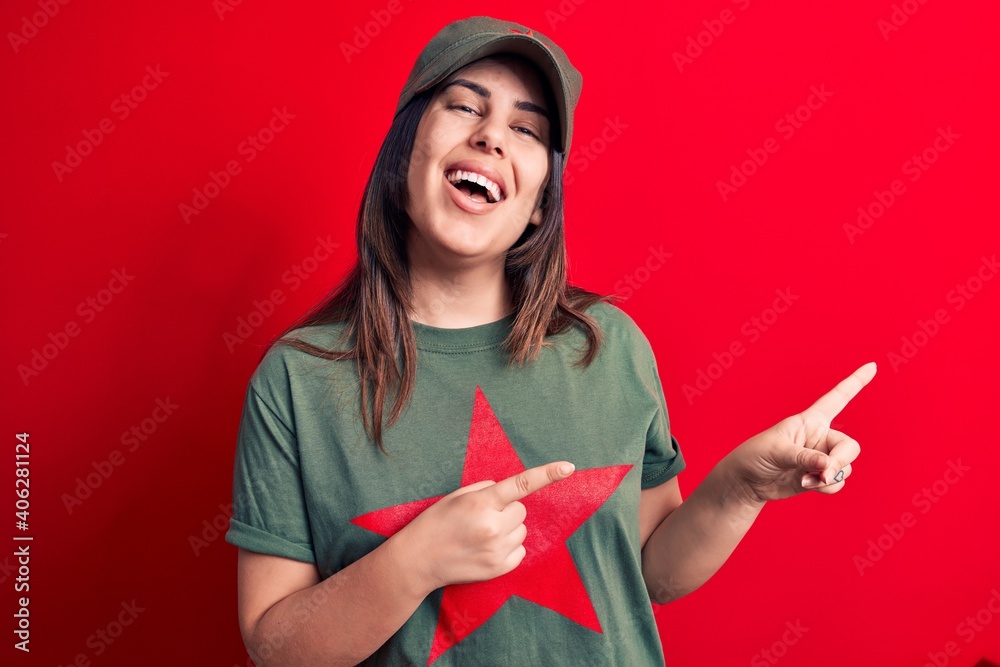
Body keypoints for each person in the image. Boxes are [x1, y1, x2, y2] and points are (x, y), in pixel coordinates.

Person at [225, 16, 876, 666]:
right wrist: (414, 561)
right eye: (463, 107)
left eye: (526, 129)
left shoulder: (609, 347)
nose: (491, 137)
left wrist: (740, 487)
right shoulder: (298, 381)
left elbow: (650, 572)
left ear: (540, 202)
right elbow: (276, 648)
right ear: (404, 154)